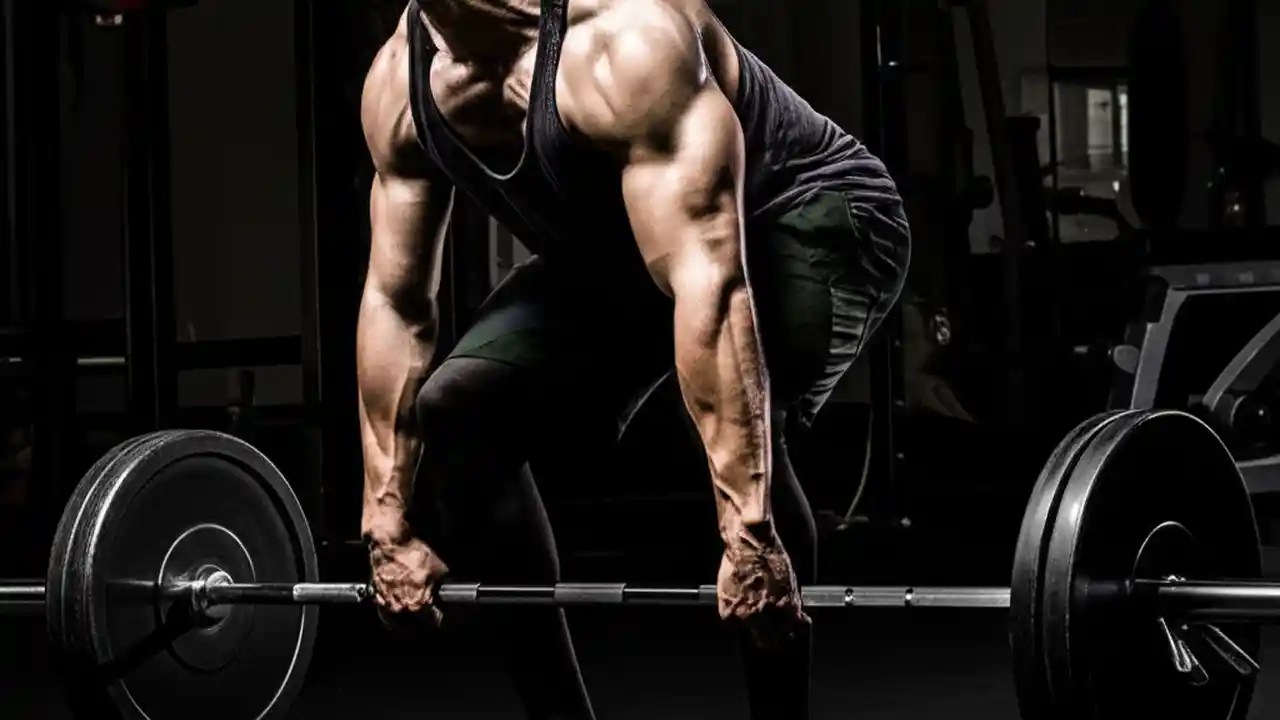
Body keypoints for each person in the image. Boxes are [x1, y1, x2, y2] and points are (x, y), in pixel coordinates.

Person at [356, 0, 910, 717]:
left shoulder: (627, 35)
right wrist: (387, 521)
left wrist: (750, 534)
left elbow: (712, 283)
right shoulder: (401, 83)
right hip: (624, 250)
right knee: (459, 407)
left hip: (809, 212)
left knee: (730, 428)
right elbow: (395, 303)